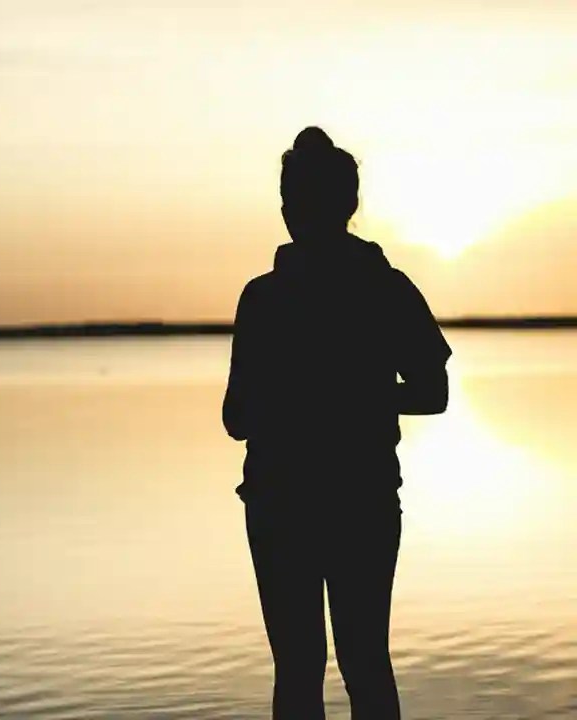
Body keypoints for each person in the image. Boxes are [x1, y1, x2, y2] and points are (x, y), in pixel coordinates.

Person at [223, 126, 451, 719]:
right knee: (359, 661)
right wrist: (369, 397)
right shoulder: (387, 289)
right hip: (351, 503)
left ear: (291, 208)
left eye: (297, 200)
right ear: (350, 205)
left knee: (306, 667)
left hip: (298, 505)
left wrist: (344, 397)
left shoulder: (263, 300)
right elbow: (431, 393)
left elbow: (235, 419)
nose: (294, 212)